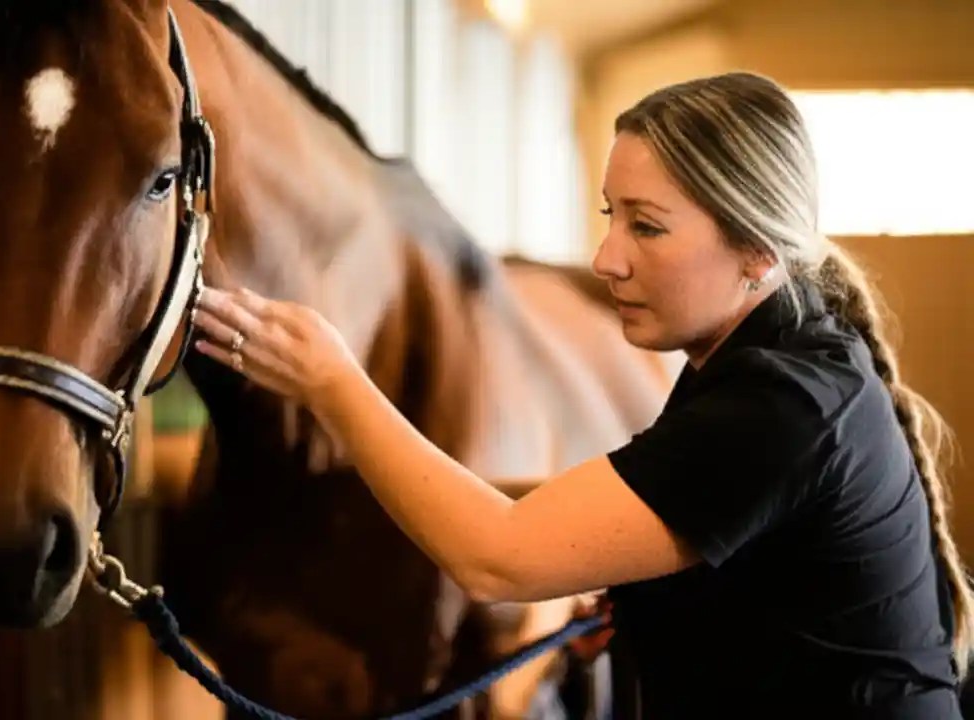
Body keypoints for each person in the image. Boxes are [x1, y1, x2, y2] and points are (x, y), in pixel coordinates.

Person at [189, 71, 972, 718]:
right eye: (611, 216)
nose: (606, 258)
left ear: (755, 252)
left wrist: (332, 382)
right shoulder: (760, 361)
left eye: (648, 227)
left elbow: (497, 560)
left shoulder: (780, 404)